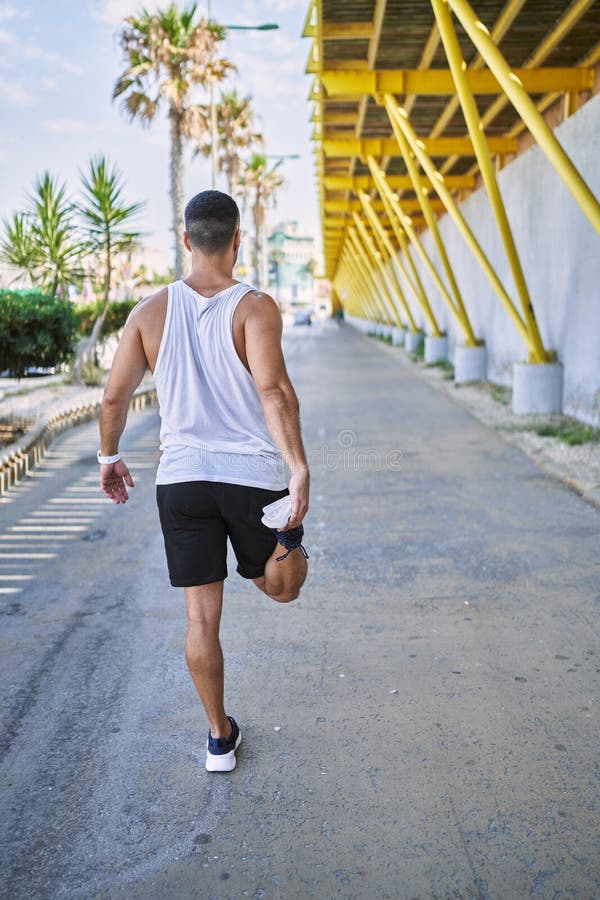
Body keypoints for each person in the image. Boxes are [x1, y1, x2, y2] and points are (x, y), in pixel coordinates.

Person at [98, 190, 309, 773]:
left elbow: (115, 395)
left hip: (183, 480)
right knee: (283, 587)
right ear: (237, 240)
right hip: (252, 477)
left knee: (200, 620)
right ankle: (287, 541)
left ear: (187, 240)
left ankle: (219, 738)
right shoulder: (256, 308)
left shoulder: (149, 312)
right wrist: (298, 468)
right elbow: (274, 391)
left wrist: (108, 457)